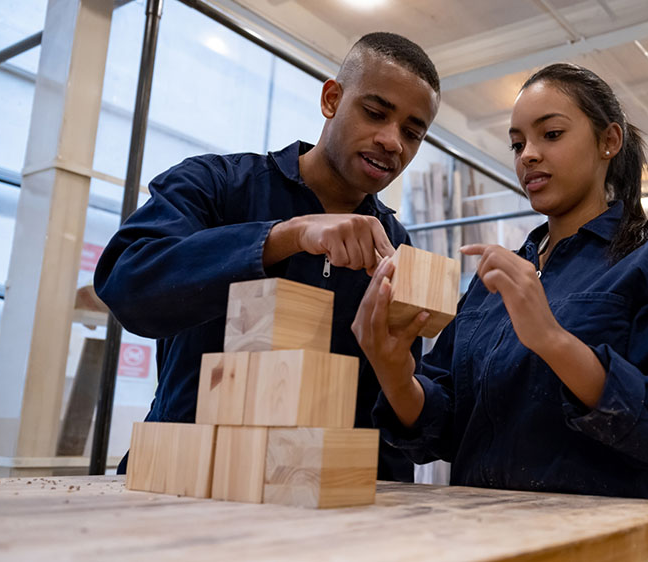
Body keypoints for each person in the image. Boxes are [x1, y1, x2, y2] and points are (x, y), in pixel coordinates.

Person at [354, 63, 648, 499]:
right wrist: (394, 372)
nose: (527, 155)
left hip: (597, 532)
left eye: (551, 134)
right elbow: (445, 428)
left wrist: (552, 339)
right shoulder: (496, 280)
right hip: (480, 526)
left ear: (609, 141)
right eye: (517, 143)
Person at [94, 32, 441, 481]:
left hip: (322, 493)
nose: (392, 141)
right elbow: (127, 283)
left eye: (412, 133)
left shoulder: (394, 246)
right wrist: (283, 237)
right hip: (184, 477)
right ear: (332, 99)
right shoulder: (216, 185)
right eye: (375, 113)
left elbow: (385, 407)